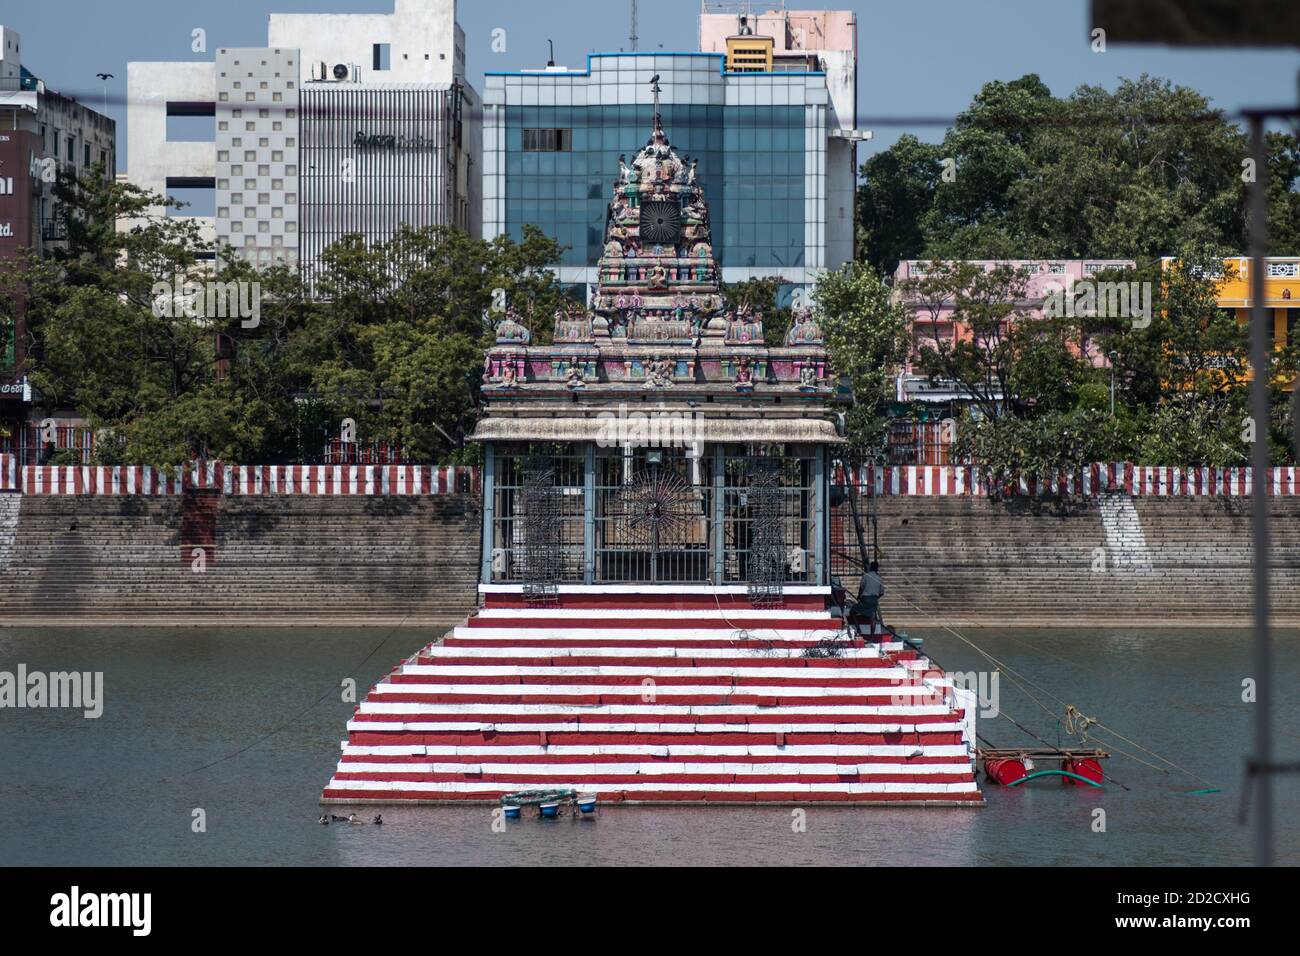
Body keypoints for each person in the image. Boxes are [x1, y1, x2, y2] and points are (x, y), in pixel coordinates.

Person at [854, 561, 885, 636]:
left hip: (865, 599)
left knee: (853, 611)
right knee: (873, 618)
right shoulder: (879, 578)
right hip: (874, 600)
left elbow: (861, 588)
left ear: (870, 567)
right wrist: (876, 598)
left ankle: (858, 628)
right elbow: (882, 592)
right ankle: (872, 636)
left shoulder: (866, 576)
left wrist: (858, 597)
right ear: (877, 569)